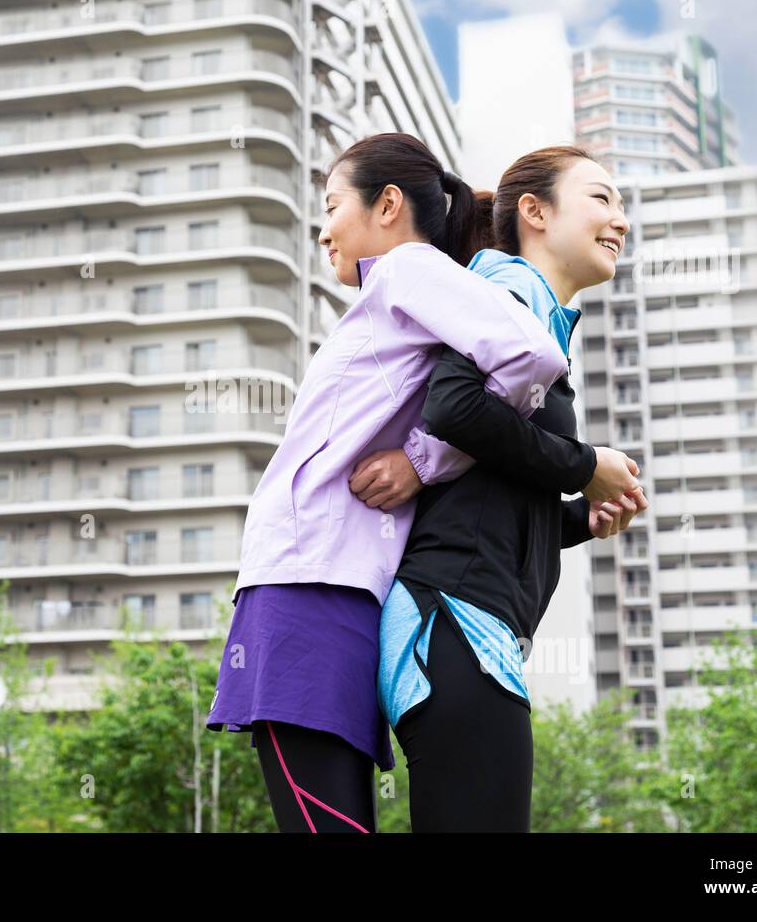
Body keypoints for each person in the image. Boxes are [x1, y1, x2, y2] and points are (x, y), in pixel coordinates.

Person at [204, 134, 639, 832]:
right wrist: (575, 472)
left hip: (320, 588)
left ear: (389, 205)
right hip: (326, 586)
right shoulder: (421, 281)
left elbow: (498, 398)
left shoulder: (405, 272)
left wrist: (435, 463)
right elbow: (491, 402)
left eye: (332, 205)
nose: (323, 227)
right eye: (601, 198)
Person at [364, 145, 650, 831]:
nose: (621, 220)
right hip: (452, 618)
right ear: (536, 212)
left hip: (474, 622)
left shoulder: (535, 316)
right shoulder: (504, 295)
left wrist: (583, 515)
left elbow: (488, 495)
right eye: (602, 199)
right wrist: (585, 464)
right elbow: (453, 408)